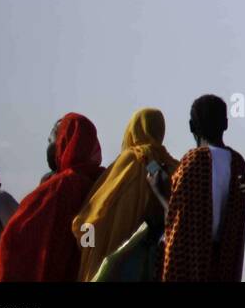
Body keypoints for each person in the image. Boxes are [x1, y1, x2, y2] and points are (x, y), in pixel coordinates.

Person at [0, 114, 104, 282]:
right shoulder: (103, 183)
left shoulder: (59, 187)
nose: (50, 145)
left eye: (52, 139)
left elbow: (15, 239)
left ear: (66, 141)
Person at [72, 108, 178, 281]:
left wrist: (83, 231)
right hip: (154, 261)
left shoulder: (132, 159)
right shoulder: (174, 166)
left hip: (116, 258)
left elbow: (97, 209)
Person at [157, 95, 245, 282]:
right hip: (226, 264)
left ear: (192, 127)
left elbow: (177, 222)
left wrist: (159, 192)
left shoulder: (194, 161)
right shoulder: (238, 162)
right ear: (226, 124)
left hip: (193, 264)